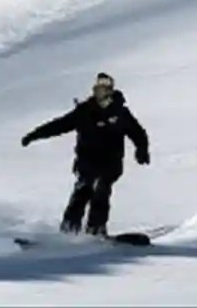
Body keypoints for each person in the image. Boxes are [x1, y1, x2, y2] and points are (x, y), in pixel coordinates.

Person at [21, 72, 150, 236]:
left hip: (110, 162)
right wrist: (34, 135)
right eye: (97, 89)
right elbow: (60, 125)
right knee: (83, 189)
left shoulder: (120, 113)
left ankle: (96, 229)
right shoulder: (85, 111)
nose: (100, 93)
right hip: (87, 161)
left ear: (110, 91)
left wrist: (142, 150)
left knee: (101, 191)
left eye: (104, 89)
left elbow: (137, 133)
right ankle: (69, 229)